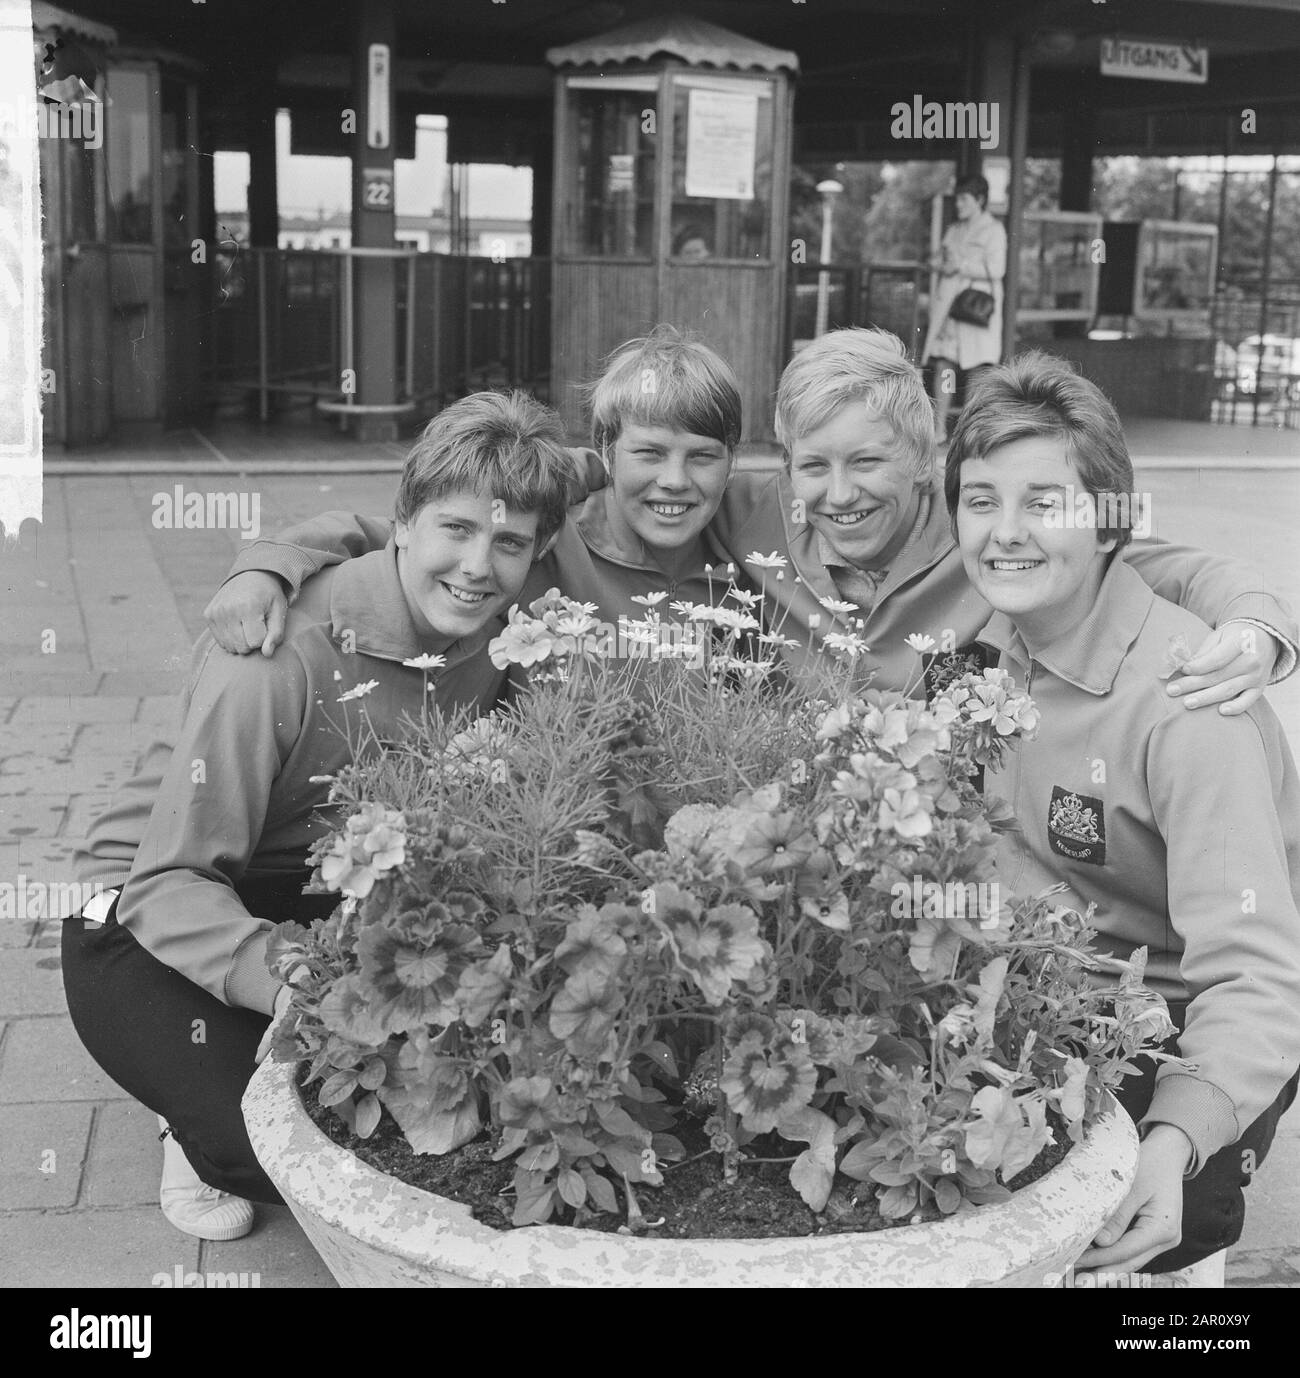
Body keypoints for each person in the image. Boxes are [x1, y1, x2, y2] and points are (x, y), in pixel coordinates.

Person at [65, 391, 577, 1240]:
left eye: (509, 543)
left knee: (422, 1117)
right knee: (278, 1149)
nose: (479, 565)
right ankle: (185, 1121)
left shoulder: (503, 630)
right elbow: (169, 877)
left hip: (329, 896)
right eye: (456, 529)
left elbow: (589, 473)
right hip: (151, 908)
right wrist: (294, 982)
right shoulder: (278, 653)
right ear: (401, 523)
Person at [204, 328, 1296, 720]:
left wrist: (1260, 629)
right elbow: (449, 503)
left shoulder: (984, 536)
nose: (840, 492)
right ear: (780, 462)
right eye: (812, 463)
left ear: (922, 459)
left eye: (868, 461)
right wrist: (269, 561)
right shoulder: (734, 503)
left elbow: (1151, 551)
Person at [945, 352, 1300, 1285]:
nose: (1005, 533)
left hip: (1179, 1036)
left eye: (1043, 503)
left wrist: (1172, 1140)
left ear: (1108, 523)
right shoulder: (979, 657)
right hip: (1041, 1016)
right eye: (980, 500)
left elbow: (1256, 973)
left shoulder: (1190, 702)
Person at [207, 325, 750, 660]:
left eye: (702, 456)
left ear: (732, 460)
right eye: (649, 453)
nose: (675, 480)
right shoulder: (550, 516)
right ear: (607, 450)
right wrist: (266, 566)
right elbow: (394, 533)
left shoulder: (744, 542)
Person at [921, 174, 1007, 443]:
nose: (958, 204)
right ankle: (939, 428)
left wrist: (962, 267)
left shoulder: (994, 230)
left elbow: (997, 269)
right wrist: (940, 263)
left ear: (979, 200)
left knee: (977, 368)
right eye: (957, 198)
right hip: (950, 309)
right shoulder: (954, 230)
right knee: (945, 365)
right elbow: (940, 259)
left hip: (974, 309)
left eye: (963, 199)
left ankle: (968, 432)